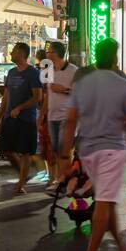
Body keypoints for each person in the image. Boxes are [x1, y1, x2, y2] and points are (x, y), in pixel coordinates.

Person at [64, 39, 126, 251]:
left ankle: (121, 249)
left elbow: (70, 121)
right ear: (115, 59)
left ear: (96, 57)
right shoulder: (123, 84)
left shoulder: (83, 84)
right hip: (111, 149)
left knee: (107, 201)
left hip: (87, 150)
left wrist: (64, 158)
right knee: (104, 202)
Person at [0, 42, 42, 194]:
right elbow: (6, 95)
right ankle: (24, 174)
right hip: (10, 117)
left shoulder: (33, 73)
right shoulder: (11, 73)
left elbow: (37, 97)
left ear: (22, 54)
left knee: (25, 152)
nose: (11, 54)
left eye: (14, 51)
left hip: (26, 119)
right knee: (7, 149)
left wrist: (20, 108)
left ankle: (21, 184)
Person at [41, 41, 77, 184]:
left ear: (56, 54)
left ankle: (64, 180)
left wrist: (64, 90)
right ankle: (60, 177)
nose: (47, 54)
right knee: (55, 149)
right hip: (52, 116)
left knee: (64, 150)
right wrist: (42, 114)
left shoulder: (73, 70)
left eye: (49, 51)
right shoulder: (48, 71)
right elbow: (47, 95)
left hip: (66, 116)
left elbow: (80, 93)